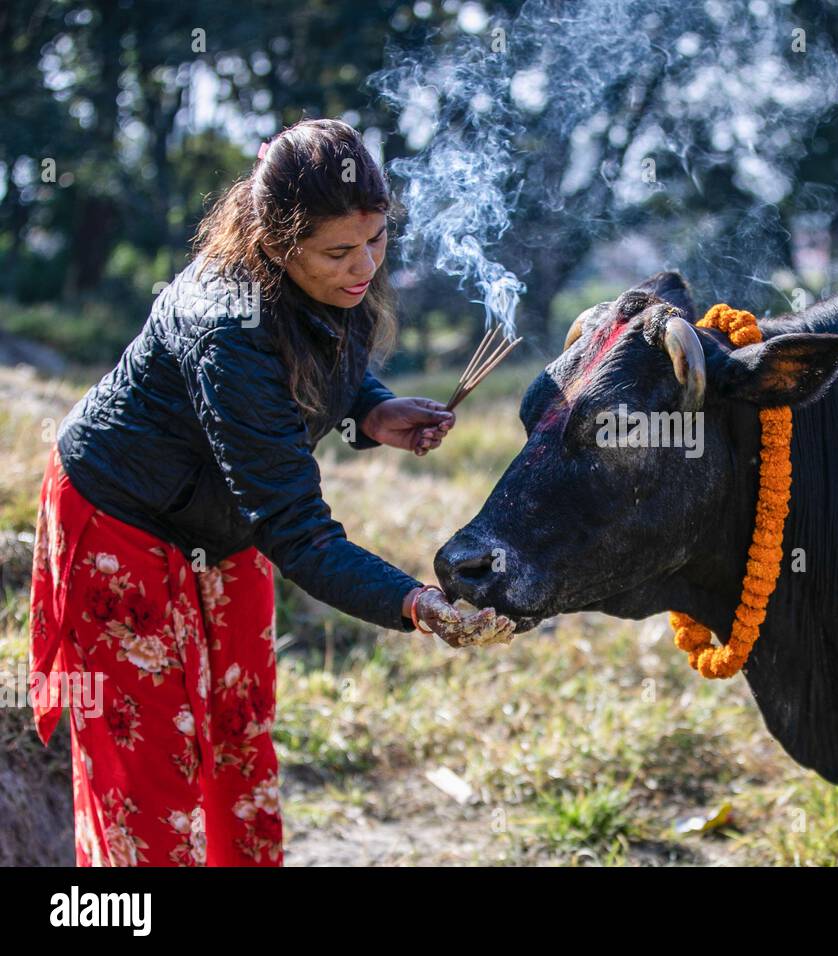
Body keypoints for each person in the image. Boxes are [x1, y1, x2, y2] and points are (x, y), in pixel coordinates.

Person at [27, 118, 514, 867]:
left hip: (224, 522)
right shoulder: (227, 328)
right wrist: (412, 602)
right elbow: (298, 531)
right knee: (149, 767)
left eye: (377, 240)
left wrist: (370, 409)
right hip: (121, 517)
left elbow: (322, 344)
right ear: (276, 242)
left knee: (237, 733)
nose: (364, 267)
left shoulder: (335, 269)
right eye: (339, 252)